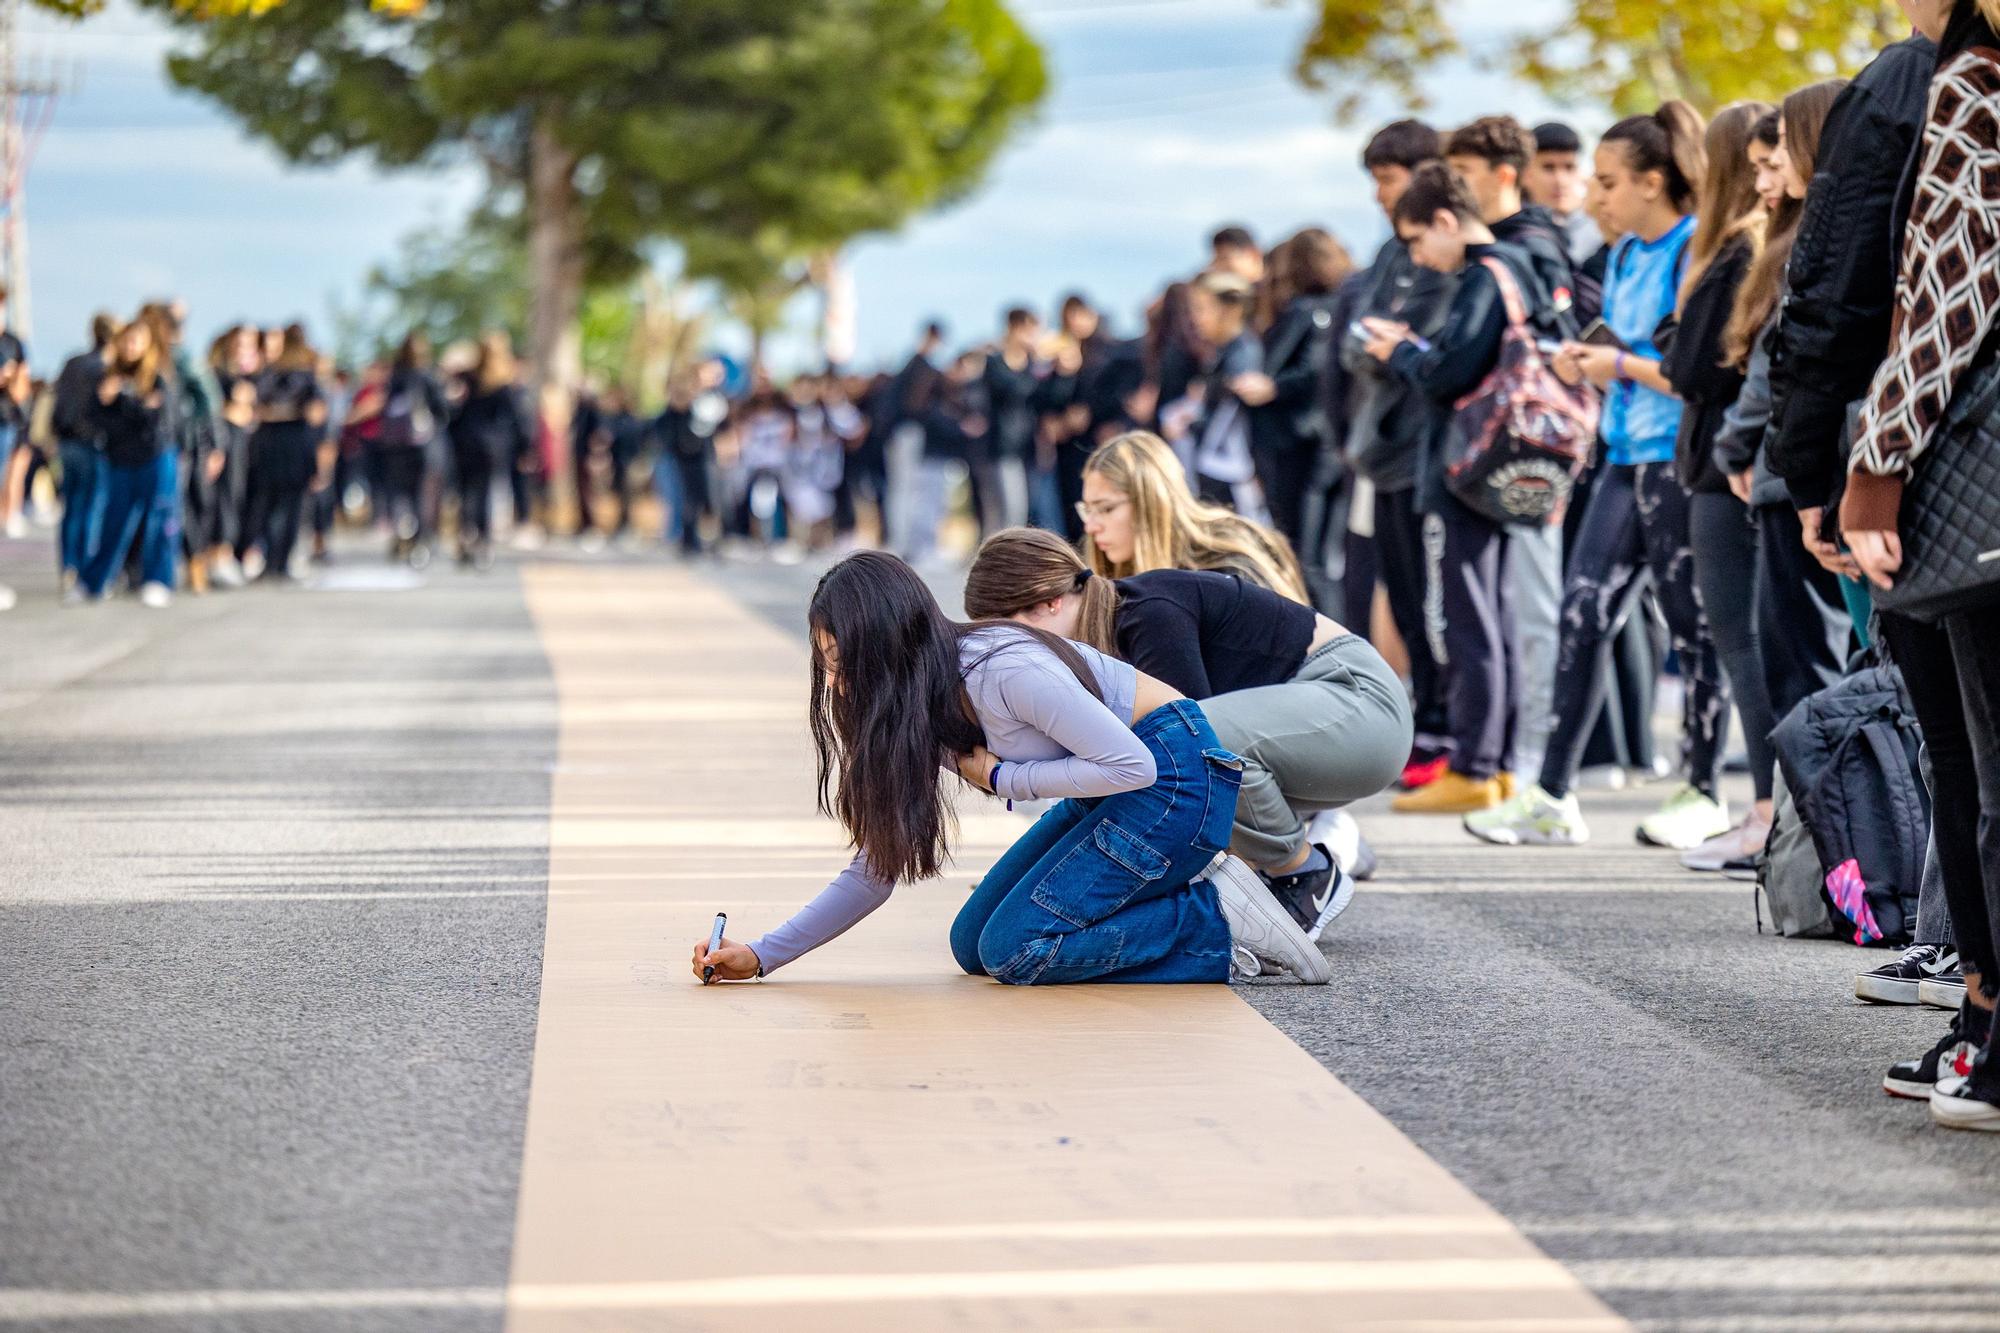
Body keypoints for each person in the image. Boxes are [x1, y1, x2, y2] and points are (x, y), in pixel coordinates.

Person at [689, 551, 1331, 986]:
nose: (835, 678)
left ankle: (1208, 920)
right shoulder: (914, 703)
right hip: (1119, 791)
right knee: (973, 946)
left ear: (890, 647)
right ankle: (1180, 907)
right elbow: (875, 870)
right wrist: (762, 956)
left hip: (1176, 777)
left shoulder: (999, 670)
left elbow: (1131, 765)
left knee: (1018, 950)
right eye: (825, 661)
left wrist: (1002, 779)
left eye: (844, 659)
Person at [1468, 101, 1733, 849]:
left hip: (1676, 459)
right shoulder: (1619, 254)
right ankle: (1552, 793)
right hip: (1618, 457)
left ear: (1653, 183)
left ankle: (1705, 787)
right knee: (1582, 615)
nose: (1593, 196)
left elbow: (1693, 375)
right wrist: (1589, 365)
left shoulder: (1694, 249)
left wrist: (1611, 363)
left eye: (1608, 183)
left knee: (1694, 627)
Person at [963, 527, 1408, 935]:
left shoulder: (1148, 613)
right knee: (1165, 758)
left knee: (1186, 749)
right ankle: (1301, 853)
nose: (1006, 652)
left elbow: (1187, 764)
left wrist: (1011, 780)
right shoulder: (1094, 641)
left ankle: (1304, 871)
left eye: (1006, 632)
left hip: (1360, 702)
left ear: (1049, 602)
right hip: (1323, 728)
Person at [1842, 0, 2000, 1132]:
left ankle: (1992, 1028)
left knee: (1988, 771)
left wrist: (1871, 466)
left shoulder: (1971, 86)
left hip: (1972, 472)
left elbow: (1942, 296)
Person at [1359, 162, 1558, 814]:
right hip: (1509, 465)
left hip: (1468, 470)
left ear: (1446, 220)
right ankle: (1493, 763)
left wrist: (1402, 353)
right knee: (1492, 613)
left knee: (1468, 617)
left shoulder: (1482, 275)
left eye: (1418, 241)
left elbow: (1449, 373)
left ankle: (1475, 763)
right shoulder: (1522, 266)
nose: (1419, 257)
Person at [1762, 16, 1940, 635]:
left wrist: (1808, 472)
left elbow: (1833, 307)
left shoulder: (1901, 85)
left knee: (1940, 716)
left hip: (1917, 461)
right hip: (1910, 449)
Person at [1709, 89, 1855, 754]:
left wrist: (1737, 444)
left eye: (1776, 160)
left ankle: (1829, 844)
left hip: (1804, 475)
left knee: (1806, 664)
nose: (1765, 181)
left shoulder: (1821, 242)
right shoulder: (1802, 239)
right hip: (1790, 471)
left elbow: (1786, 362)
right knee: (1792, 658)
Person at [1444, 113, 1583, 783]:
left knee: (1536, 605)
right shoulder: (1507, 244)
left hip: (1531, 450)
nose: (1453, 185)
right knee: (1512, 606)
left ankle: (1534, 763)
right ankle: (1519, 759)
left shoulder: (1527, 246)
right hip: (1505, 450)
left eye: (1464, 172)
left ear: (1503, 174)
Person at [1658, 102, 1775, 872]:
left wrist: (1673, 338)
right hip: (1727, 464)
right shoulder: (1749, 250)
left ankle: (1767, 811)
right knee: (1749, 642)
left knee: (1744, 642)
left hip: (1725, 469)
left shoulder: (1735, 252)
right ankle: (1768, 808)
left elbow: (1690, 364)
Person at [1341, 119, 1458, 789]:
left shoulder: (1443, 253)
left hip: (1428, 456)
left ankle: (1446, 729)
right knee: (1406, 600)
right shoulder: (1390, 253)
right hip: (1381, 454)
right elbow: (1363, 338)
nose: (1380, 197)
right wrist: (1385, 345)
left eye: (1386, 180)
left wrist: (1393, 346)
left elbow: (1424, 349)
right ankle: (1423, 723)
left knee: (1438, 605)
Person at [1078, 430, 1308, 603]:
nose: (1090, 526)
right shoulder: (1111, 586)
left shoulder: (1231, 566)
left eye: (1106, 509)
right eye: (1087, 510)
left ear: (1150, 501)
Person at [1237, 228, 1352, 547]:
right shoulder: (1344, 303)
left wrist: (1272, 386)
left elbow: (1312, 369)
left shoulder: (1303, 311)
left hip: (1295, 440)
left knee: (1299, 548)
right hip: (1332, 439)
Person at [77, 318, 177, 607]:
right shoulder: (107, 376)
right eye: (127, 339)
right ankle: (94, 582)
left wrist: (122, 403)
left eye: (137, 340)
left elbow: (157, 422)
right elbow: (95, 419)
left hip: (155, 456)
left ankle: (158, 580)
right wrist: (119, 403)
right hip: (120, 459)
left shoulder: (156, 376)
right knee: (113, 521)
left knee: (159, 518)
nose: (131, 346)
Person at [242, 324, 327, 584]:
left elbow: (315, 413)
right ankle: (275, 561)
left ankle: (278, 561)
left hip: (284, 445)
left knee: (284, 506)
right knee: (276, 506)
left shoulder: (288, 375)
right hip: (283, 445)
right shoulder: (275, 374)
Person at [449, 330, 533, 570]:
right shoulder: (504, 382)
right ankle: (483, 542)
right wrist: (524, 446)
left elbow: (455, 410)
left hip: (466, 442)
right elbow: (517, 418)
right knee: (483, 493)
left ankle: (466, 533)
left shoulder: (468, 378)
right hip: (491, 446)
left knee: (466, 492)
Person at [1184, 272, 1264, 510]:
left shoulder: (1242, 355)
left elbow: (1237, 422)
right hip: (1219, 472)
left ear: (1230, 310)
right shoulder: (1225, 353)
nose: (1195, 319)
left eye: (1201, 309)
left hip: (1234, 476)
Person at [52, 313, 116, 592]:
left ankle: (68, 566)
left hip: (67, 442)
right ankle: (85, 569)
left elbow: (58, 401)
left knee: (72, 507)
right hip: (93, 444)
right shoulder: (105, 368)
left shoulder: (72, 362)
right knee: (92, 508)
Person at [374, 334, 449, 565]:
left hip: (396, 446)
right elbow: (442, 411)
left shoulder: (395, 378)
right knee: (422, 494)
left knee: (399, 492)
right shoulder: (428, 377)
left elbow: (385, 409)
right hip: (422, 446)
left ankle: (403, 528)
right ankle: (420, 539)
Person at [979, 307, 1043, 534]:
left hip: (1028, 448)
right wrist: (1038, 370)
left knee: (1022, 511)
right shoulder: (995, 363)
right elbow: (1013, 390)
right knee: (1009, 511)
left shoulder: (1033, 365)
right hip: (1003, 447)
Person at [655, 359, 725, 556]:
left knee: (710, 499)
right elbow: (668, 421)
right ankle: (689, 541)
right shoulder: (685, 396)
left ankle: (712, 542)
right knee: (688, 500)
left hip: (705, 455)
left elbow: (721, 425)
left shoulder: (714, 398)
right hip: (684, 456)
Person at [1526, 121, 1601, 268]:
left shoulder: (1601, 228)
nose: (1560, 180)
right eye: (1548, 168)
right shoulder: (1511, 231)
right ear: (1525, 173)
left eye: (1569, 167)